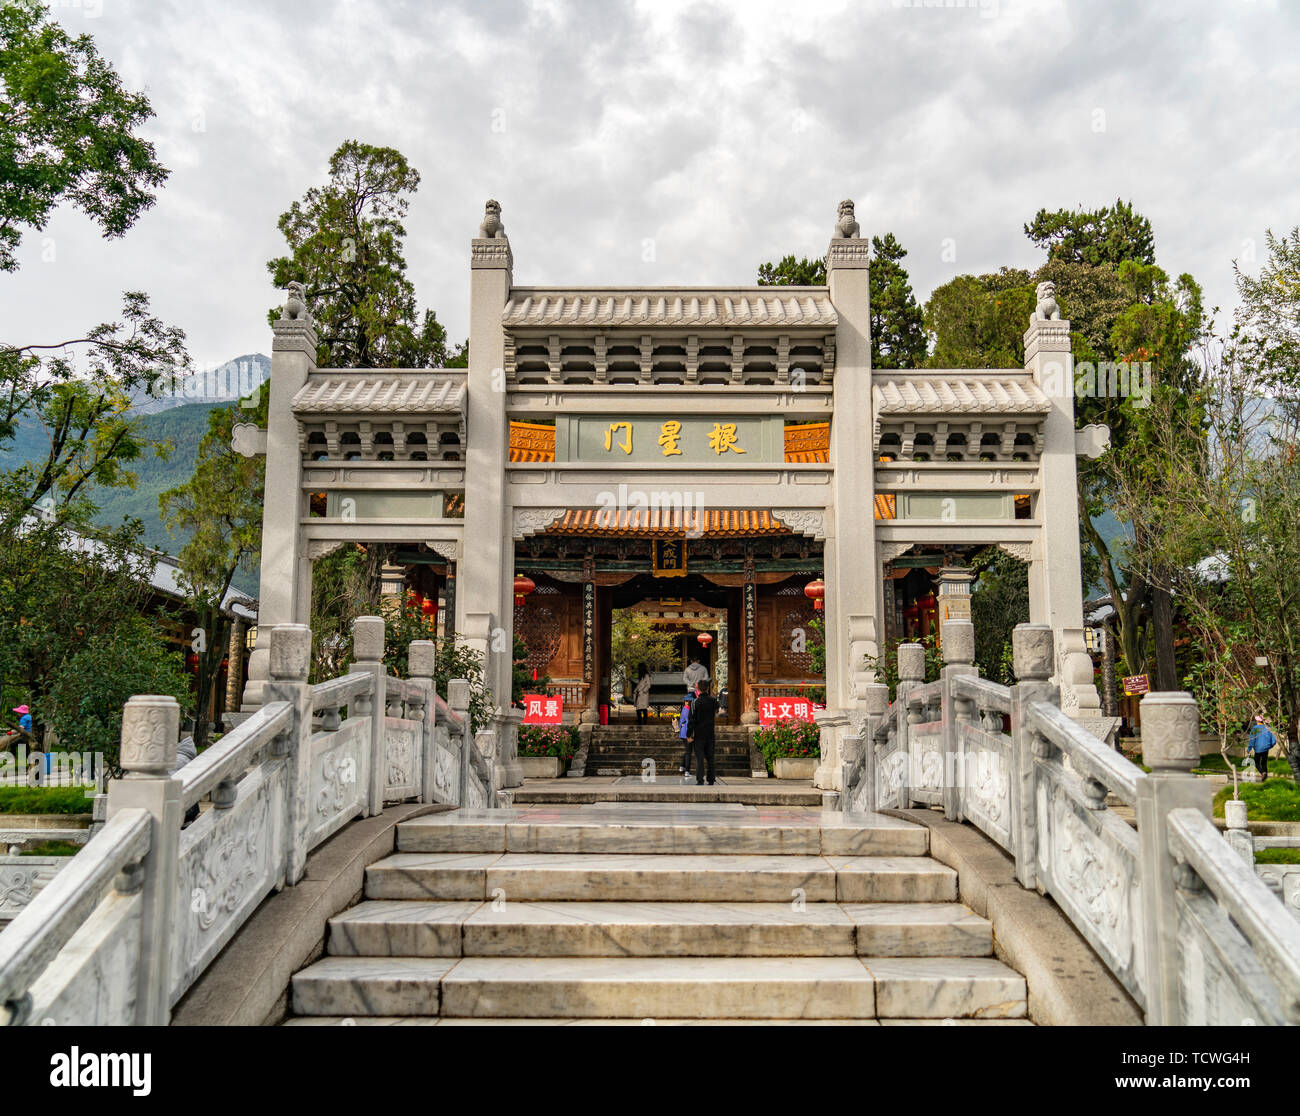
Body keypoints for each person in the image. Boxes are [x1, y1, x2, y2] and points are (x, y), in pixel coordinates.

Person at [688, 682, 720, 786]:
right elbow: (718, 709)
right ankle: (711, 779)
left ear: (698, 689)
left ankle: (700, 779)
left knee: (700, 758)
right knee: (710, 757)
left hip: (699, 734)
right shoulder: (713, 701)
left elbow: (691, 720)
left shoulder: (695, 702)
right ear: (707, 689)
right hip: (710, 733)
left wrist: (689, 734)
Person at [1248, 714, 1277, 780]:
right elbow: (1274, 741)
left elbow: (1252, 740)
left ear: (1257, 721)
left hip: (1258, 749)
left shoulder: (1254, 729)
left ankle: (1263, 773)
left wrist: (1249, 748)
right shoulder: (1269, 728)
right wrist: (1270, 746)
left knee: (1256, 763)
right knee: (1264, 763)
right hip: (1266, 749)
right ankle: (1265, 778)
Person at [678, 695, 692, 777]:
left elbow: (682, 722)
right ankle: (687, 770)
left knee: (687, 750)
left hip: (683, 732)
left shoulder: (684, 709)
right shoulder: (688, 710)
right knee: (688, 752)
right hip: (687, 733)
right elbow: (689, 722)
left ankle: (682, 766)